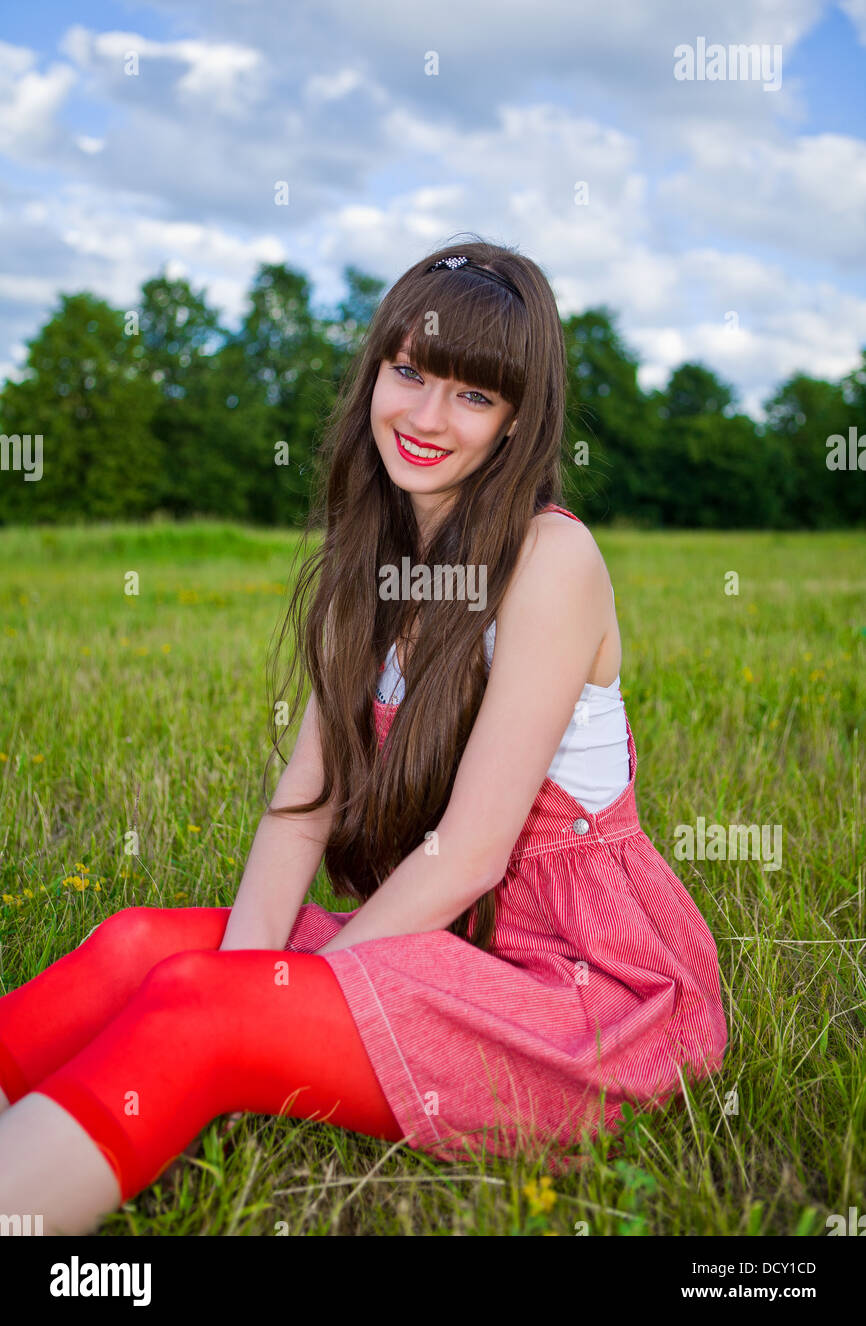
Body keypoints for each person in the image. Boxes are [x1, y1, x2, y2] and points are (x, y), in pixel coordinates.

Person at [0, 239, 727, 1234]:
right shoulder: (373, 563)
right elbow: (304, 807)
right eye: (411, 372)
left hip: (575, 998)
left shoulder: (551, 558)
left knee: (201, 1011)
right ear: (376, 368)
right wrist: (248, 964)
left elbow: (471, 854)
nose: (427, 417)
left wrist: (250, 993)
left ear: (518, 420)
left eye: (472, 396)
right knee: (139, 948)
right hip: (435, 941)